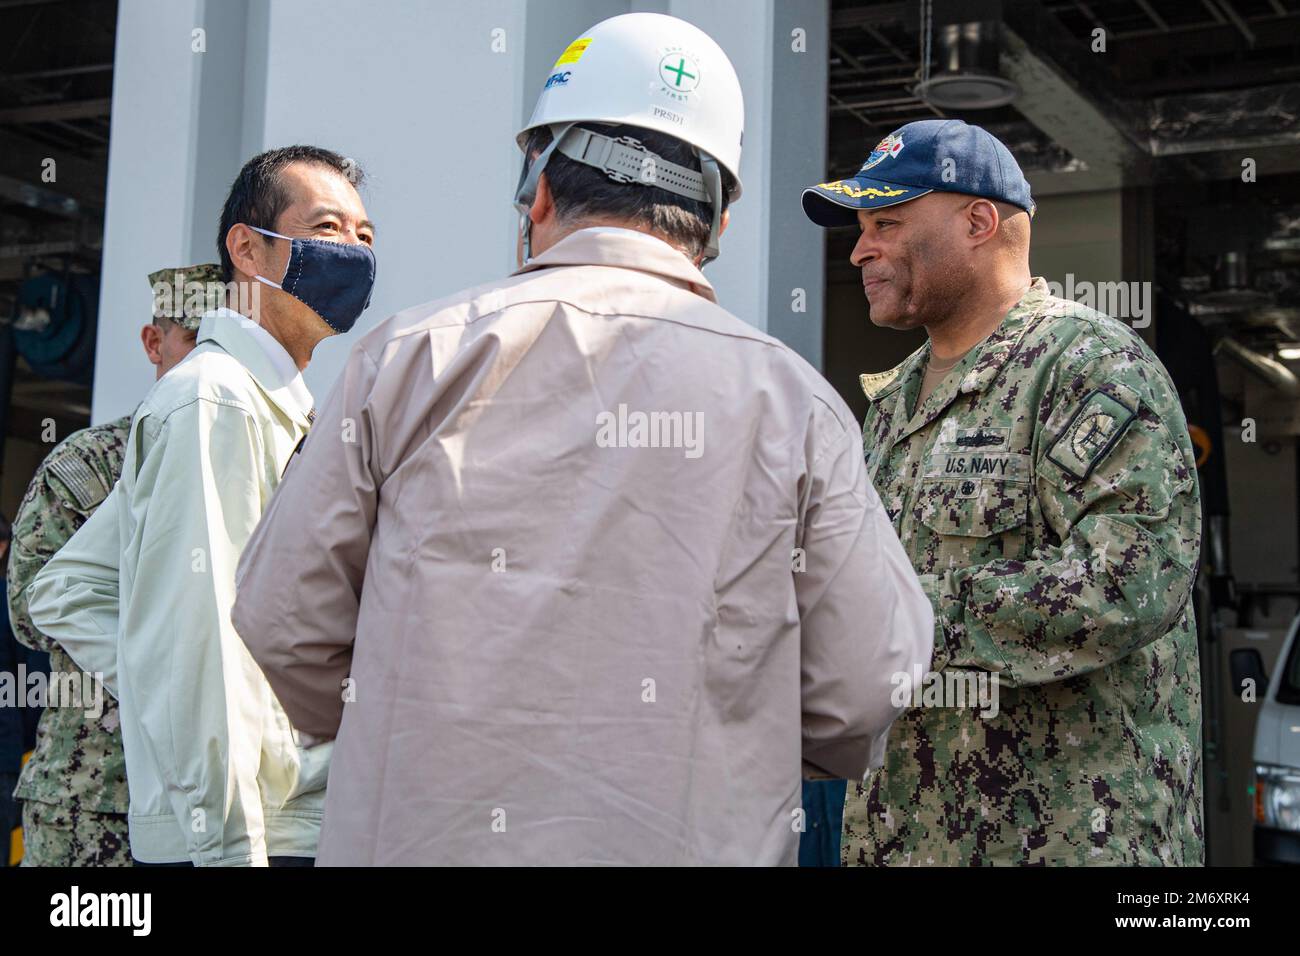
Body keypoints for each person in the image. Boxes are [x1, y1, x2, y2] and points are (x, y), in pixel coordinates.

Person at [231, 12, 933, 866]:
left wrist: (414, 728)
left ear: (543, 193)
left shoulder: (407, 359)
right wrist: (725, 745)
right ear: (712, 225)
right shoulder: (796, 405)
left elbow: (280, 619)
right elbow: (866, 686)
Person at [801, 119, 1203, 865]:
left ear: (978, 222)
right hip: (905, 838)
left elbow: (1133, 581)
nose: (860, 250)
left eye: (886, 222)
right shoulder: (891, 406)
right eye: (861, 228)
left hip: (1058, 840)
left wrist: (900, 621)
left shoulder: (1088, 367)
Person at [27, 146, 377, 866]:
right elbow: (200, 643)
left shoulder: (267, 403)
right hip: (252, 839)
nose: (353, 253)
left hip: (279, 822)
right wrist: (223, 842)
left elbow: (67, 590)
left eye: (364, 237)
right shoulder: (214, 400)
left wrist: (164, 675)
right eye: (328, 228)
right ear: (246, 249)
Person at [6, 264, 210, 867]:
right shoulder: (94, 464)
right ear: (155, 343)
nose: (216, 365)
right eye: (197, 342)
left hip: (212, 799)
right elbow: (28, 609)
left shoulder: (269, 459)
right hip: (95, 793)